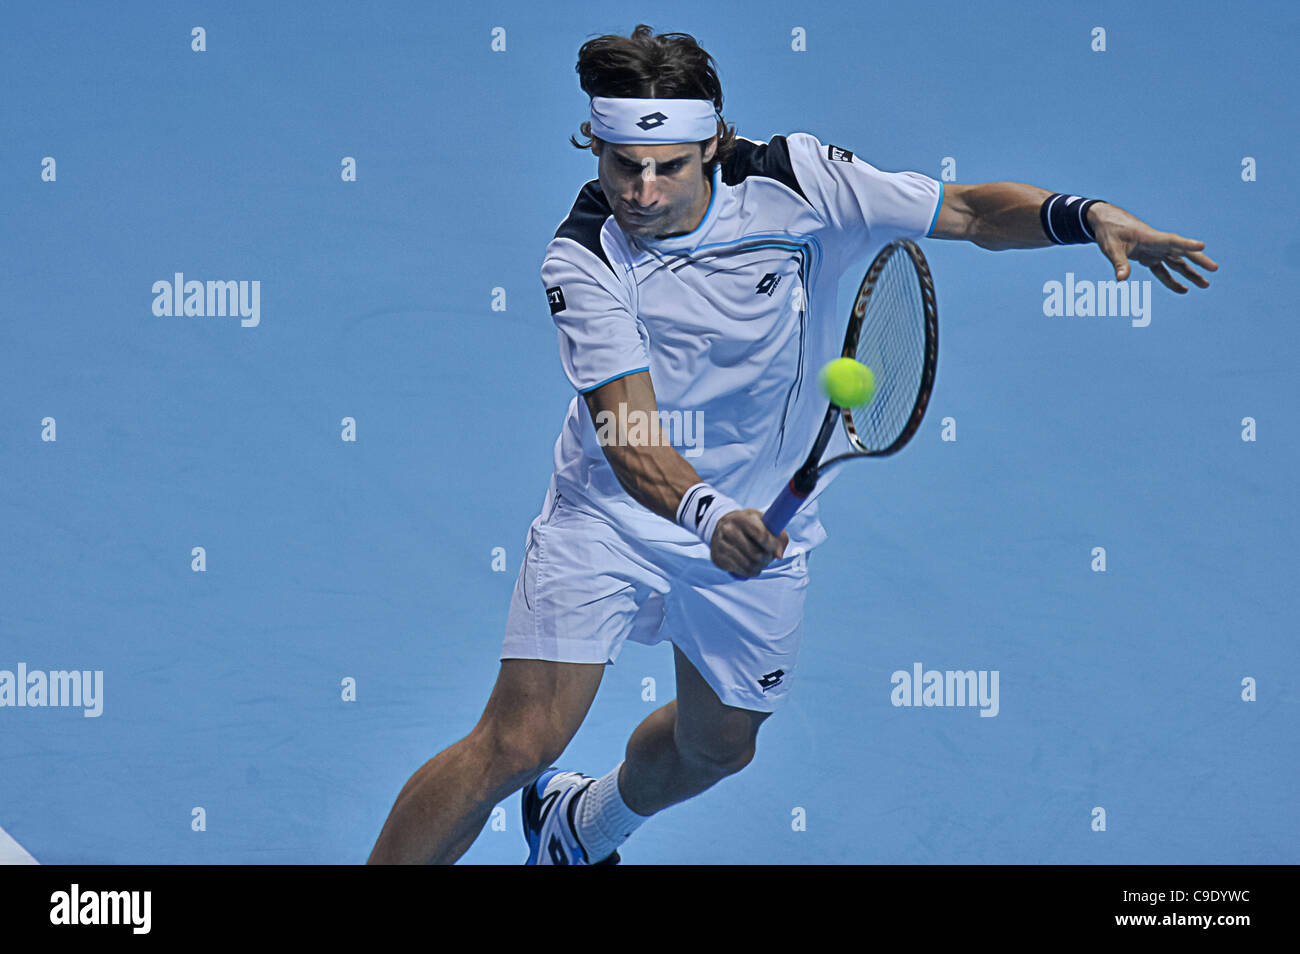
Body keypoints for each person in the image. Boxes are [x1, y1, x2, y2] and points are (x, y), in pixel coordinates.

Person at [367, 24, 1216, 865]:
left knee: (718, 750)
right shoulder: (585, 257)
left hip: (761, 530)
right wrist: (707, 515)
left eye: (670, 166)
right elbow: (629, 437)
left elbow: (965, 210)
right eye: (624, 164)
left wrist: (1085, 215)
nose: (644, 190)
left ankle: (581, 829)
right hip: (614, 520)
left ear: (715, 145)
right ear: (594, 145)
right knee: (519, 743)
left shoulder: (802, 181)